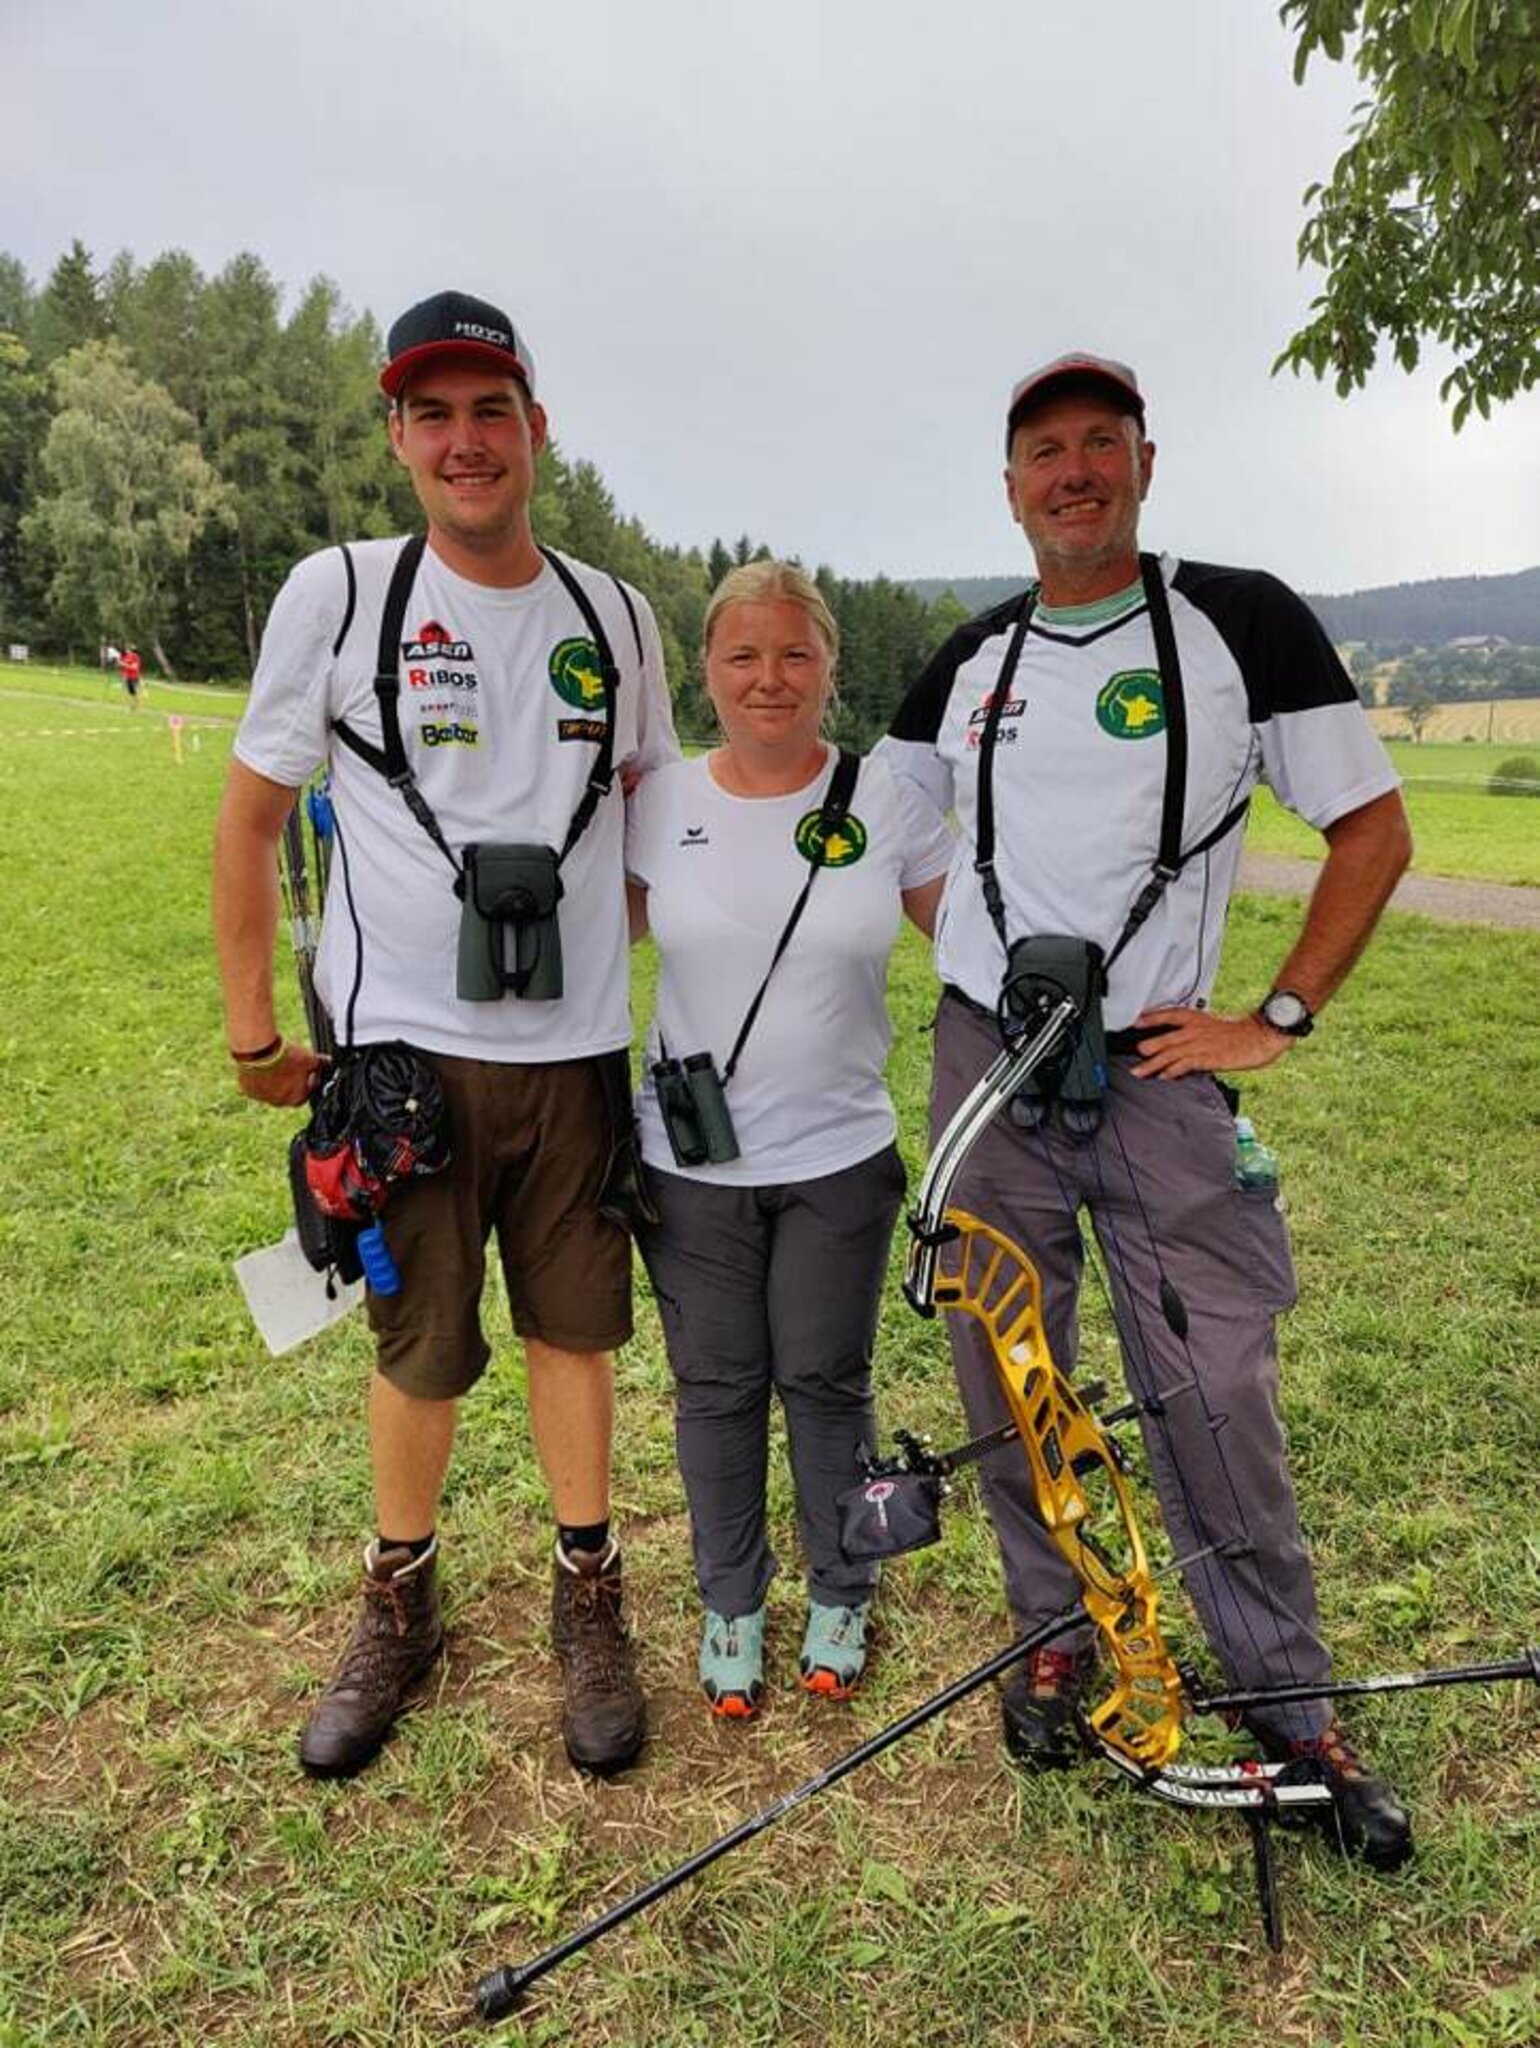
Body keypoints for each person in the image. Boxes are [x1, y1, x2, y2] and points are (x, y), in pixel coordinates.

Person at [877, 353, 1415, 1867]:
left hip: (1164, 1070)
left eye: (1097, 445)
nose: (1071, 472)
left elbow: (1373, 826)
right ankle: (1056, 1633)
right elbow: (896, 826)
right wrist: (978, 964)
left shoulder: (1238, 619)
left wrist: (1277, 1015)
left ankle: (1286, 1697)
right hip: (995, 1063)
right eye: (1042, 450)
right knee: (1006, 1361)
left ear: (1144, 463)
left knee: (1213, 1384)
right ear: (1008, 487)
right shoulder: (969, 660)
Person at [212, 289, 679, 1781]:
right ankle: (398, 1602)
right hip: (397, 1060)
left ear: (539, 427)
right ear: (398, 434)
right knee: (418, 1345)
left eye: (492, 410)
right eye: (435, 414)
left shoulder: (618, 617)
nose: (465, 441)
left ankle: (587, 1596)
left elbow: (657, 832)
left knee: (576, 1333)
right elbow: (250, 822)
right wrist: (250, 1033)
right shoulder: (339, 595)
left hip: (578, 1060)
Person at [626, 561, 953, 1717]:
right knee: (714, 1387)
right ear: (706, 668)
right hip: (691, 1163)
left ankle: (841, 1588)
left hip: (837, 1161)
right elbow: (580, 944)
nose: (770, 678)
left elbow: (970, 934)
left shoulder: (887, 801)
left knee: (824, 1382)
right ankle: (731, 1601)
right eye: (743, 655)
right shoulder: (656, 799)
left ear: (829, 667)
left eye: (794, 654)